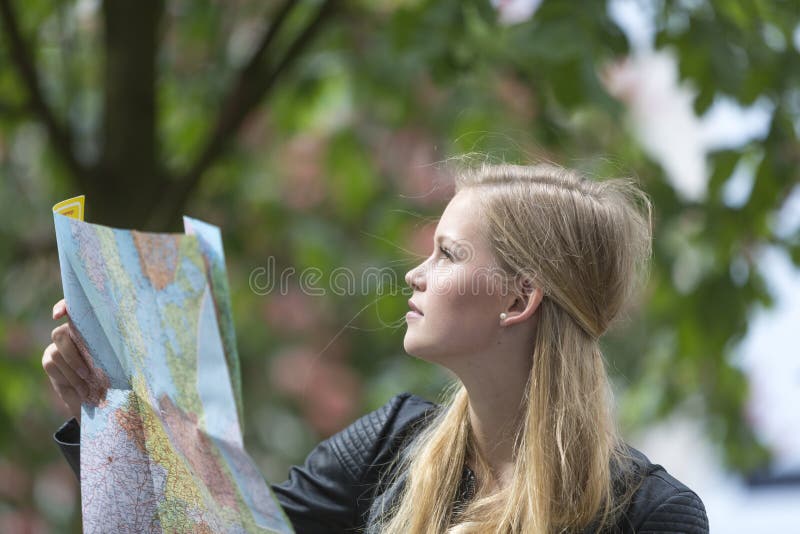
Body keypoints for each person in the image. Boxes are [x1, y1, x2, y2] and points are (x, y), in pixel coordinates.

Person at [43, 163, 709, 533]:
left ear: (516, 299)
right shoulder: (389, 443)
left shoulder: (652, 517)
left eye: (446, 254)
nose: (416, 275)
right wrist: (101, 410)